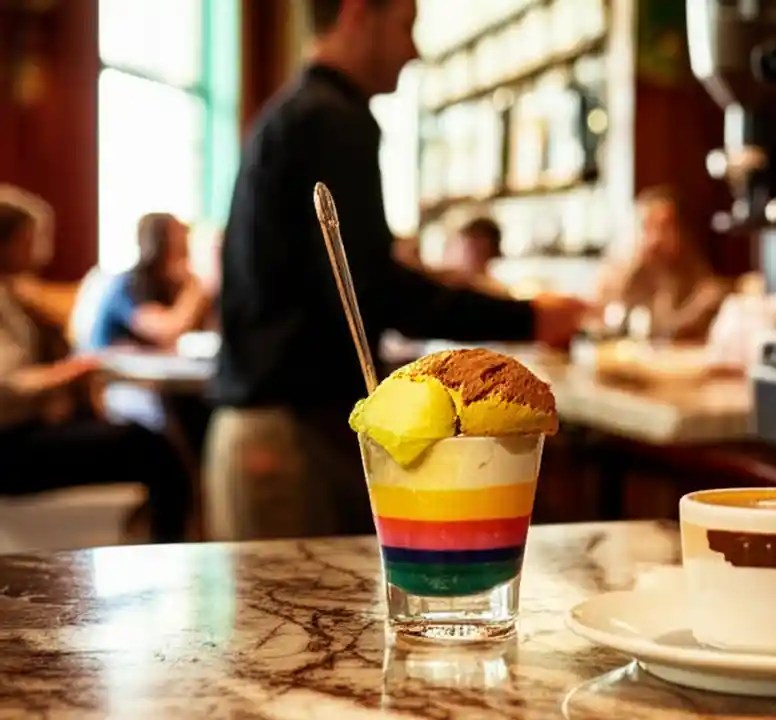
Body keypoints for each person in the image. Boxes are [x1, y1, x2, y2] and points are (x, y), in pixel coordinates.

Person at [207, 0, 586, 541]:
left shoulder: (297, 112)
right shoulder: (332, 117)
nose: (413, 50)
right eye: (406, 26)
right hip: (289, 436)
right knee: (306, 625)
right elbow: (373, 289)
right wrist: (530, 318)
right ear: (358, 15)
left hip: (271, 425)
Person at [0, 200, 192, 543]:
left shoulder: (15, 292)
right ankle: (169, 552)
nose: (42, 247)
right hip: (10, 449)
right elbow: (10, 384)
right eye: (31, 238)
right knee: (154, 449)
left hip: (25, 432)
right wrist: (74, 370)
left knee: (151, 442)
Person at [596, 186, 729, 341]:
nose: (656, 238)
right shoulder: (616, 273)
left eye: (665, 227)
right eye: (647, 227)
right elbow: (602, 324)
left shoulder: (692, 270)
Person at [84, 212, 211, 351]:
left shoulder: (170, 285)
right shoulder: (127, 285)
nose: (185, 246)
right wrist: (194, 285)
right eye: (178, 241)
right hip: (106, 368)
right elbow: (168, 330)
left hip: (143, 367)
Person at [438, 216, 508, 297]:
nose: (472, 252)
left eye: (481, 250)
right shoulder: (448, 282)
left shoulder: (495, 290)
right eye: (471, 246)